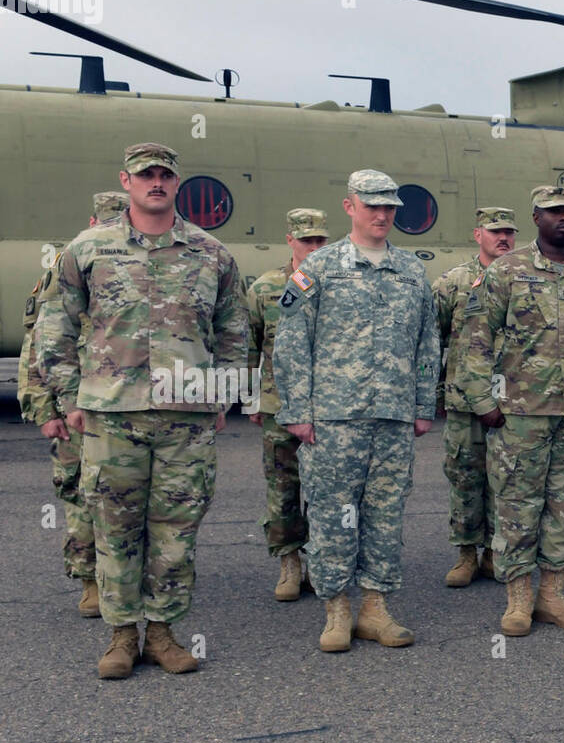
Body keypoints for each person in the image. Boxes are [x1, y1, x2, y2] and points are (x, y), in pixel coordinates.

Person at [35, 144, 247, 680]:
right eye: (145, 174)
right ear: (125, 181)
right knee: (115, 527)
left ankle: (163, 633)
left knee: (177, 527)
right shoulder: (88, 249)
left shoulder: (211, 253)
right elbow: (55, 327)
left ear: (177, 184)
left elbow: (233, 333)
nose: (156, 182)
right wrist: (67, 398)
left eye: (165, 175)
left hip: (186, 418)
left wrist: (220, 396)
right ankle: (122, 636)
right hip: (112, 414)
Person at [273, 169, 439, 652]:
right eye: (372, 205)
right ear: (350, 207)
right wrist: (298, 410)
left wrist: (423, 404)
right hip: (332, 418)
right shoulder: (318, 269)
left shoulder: (411, 271)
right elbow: (290, 343)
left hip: (392, 416)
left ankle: (375, 607)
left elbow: (428, 342)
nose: (382, 214)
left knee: (386, 513)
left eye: (389, 207)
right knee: (331, 513)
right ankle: (336, 610)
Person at [457, 184, 564, 636]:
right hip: (520, 413)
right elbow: (476, 340)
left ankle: (553, 594)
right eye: (553, 212)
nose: (563, 218)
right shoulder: (507, 271)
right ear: (536, 218)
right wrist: (483, 401)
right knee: (517, 505)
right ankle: (518, 598)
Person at [18, 190, 128, 618]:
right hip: (76, 402)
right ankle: (89, 581)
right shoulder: (68, 266)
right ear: (90, 223)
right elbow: (39, 343)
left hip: (124, 404)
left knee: (126, 496)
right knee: (80, 492)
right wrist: (45, 409)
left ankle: (124, 580)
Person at [245, 208, 330, 601]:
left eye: (320, 241)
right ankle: (289, 563)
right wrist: (250, 398)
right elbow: (248, 346)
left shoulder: (336, 284)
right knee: (282, 488)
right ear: (290, 240)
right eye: (306, 240)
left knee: (325, 489)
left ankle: (319, 562)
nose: (313, 247)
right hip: (279, 405)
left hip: (328, 406)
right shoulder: (265, 289)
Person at [435, 206, 517, 587]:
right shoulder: (455, 282)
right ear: (477, 234)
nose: (504, 238)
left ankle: (496, 553)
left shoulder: (523, 277)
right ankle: (466, 553)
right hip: (464, 400)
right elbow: (428, 338)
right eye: (495, 231)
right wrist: (427, 391)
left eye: (509, 232)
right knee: (465, 477)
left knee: (507, 479)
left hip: (512, 401)